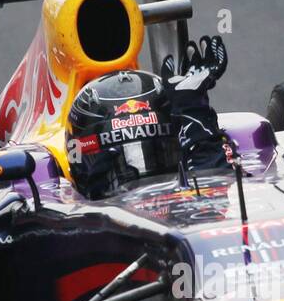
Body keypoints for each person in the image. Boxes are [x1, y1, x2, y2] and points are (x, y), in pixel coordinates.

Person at [65, 35, 238, 199]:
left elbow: (231, 188)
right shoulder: (61, 219)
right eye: (121, 168)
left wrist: (198, 123)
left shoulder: (193, 195)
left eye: (159, 156)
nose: (146, 190)